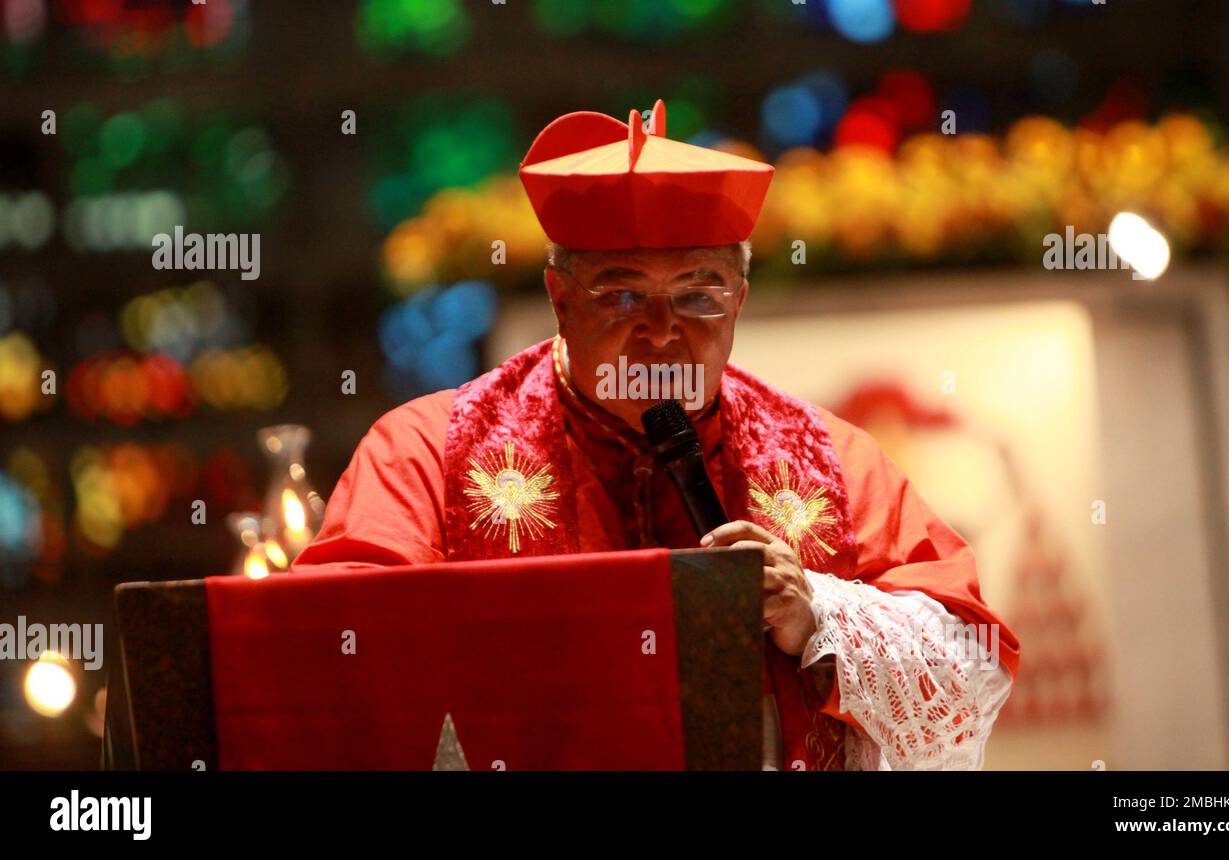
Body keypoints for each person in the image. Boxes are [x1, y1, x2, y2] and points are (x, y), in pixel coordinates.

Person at [293, 100, 1019, 770]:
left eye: (698, 295)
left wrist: (821, 615)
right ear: (560, 300)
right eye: (622, 295)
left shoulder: (829, 457)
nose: (663, 334)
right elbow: (323, 662)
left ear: (738, 300)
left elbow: (974, 667)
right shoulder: (426, 451)